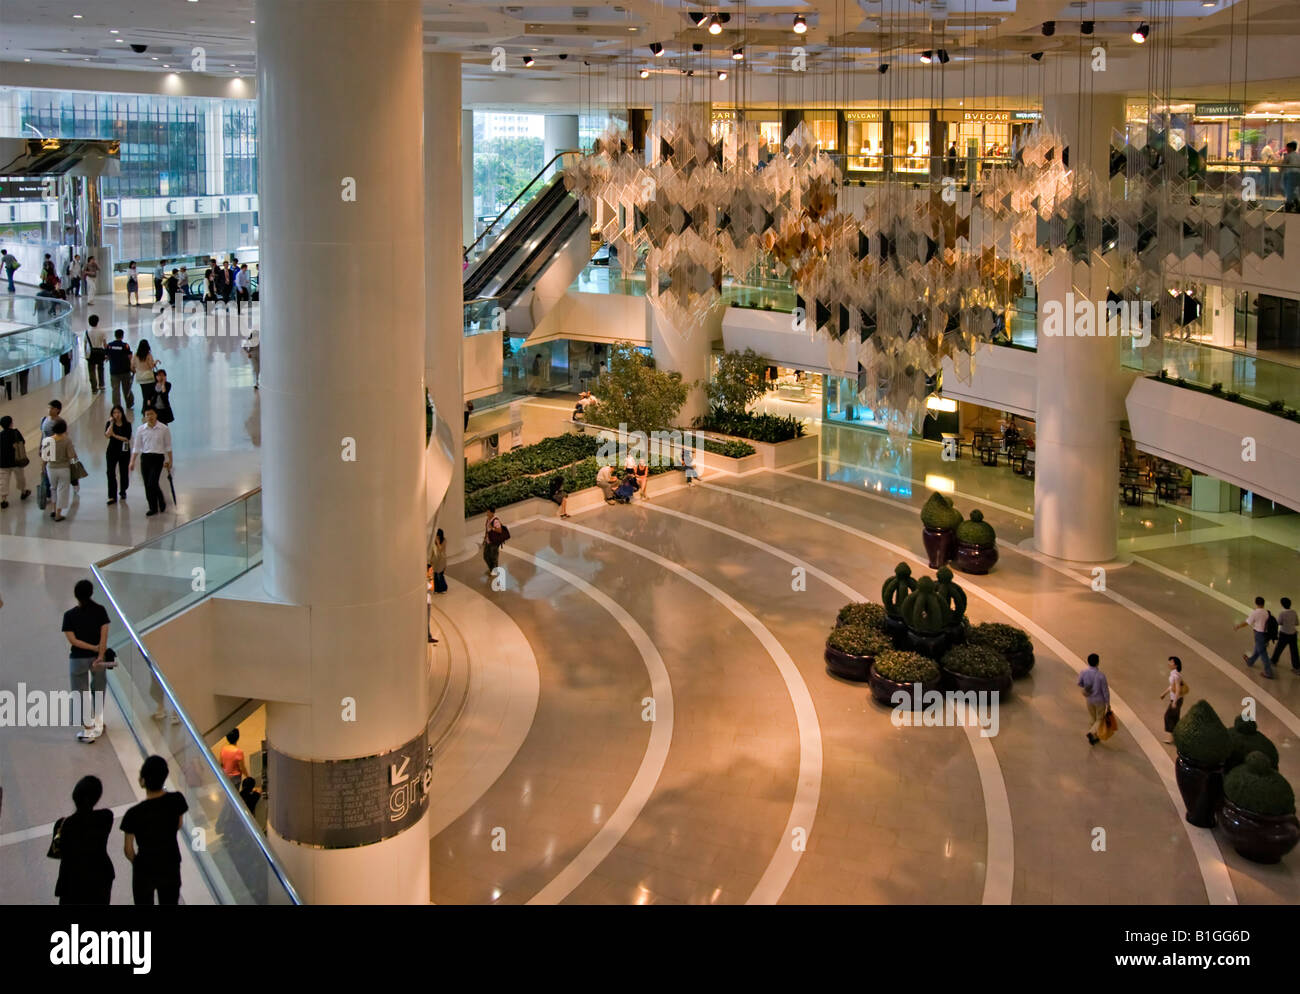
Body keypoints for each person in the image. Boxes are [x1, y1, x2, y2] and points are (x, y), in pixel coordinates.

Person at [121, 755, 189, 906]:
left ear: (143, 781)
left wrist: (137, 862)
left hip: (145, 868)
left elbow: (128, 850)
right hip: (170, 862)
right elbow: (178, 825)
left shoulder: (133, 814)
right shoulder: (177, 799)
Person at [52, 775, 115, 905]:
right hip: (100, 877)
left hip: (72, 881)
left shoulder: (63, 824)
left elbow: (57, 853)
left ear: (75, 796)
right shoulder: (106, 817)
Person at [62, 578, 110, 743]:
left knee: (79, 692)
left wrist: (91, 647)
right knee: (98, 689)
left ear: (76, 596)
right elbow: (104, 636)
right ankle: (99, 723)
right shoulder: (101, 611)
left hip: (77, 659)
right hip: (98, 660)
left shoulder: (69, 616)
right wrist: (100, 654)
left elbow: (73, 641)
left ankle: (87, 730)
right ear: (91, 593)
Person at [129, 404, 173, 517]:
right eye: (147, 415)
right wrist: (132, 461)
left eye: (151, 414)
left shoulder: (163, 428)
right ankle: (152, 507)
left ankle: (160, 500)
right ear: (144, 416)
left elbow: (168, 446)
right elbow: (137, 446)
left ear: (156, 415)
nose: (150, 416)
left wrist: (170, 461)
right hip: (145, 458)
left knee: (152, 483)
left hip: (158, 458)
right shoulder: (141, 429)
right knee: (147, 484)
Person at [41, 417, 77, 522]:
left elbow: (45, 457)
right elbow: (71, 456)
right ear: (64, 429)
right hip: (64, 468)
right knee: (62, 490)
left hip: (51, 468)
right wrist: (75, 465)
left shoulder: (47, 440)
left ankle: (53, 509)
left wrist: (43, 467)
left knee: (53, 488)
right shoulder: (67, 440)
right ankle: (58, 513)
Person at [1235, 596, 1275, 679]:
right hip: (1265, 634)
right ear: (1263, 603)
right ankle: (1250, 661)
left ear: (1256, 603)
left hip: (1259, 634)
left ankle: (1268, 672)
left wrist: (1238, 626)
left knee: (1263, 654)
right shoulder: (1266, 612)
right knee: (1258, 649)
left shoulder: (1255, 612)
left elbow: (1247, 622)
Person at [1078, 652, 1111, 745]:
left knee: (1093, 718)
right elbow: (1105, 691)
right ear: (1097, 662)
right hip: (1100, 701)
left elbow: (1079, 683)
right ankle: (1091, 733)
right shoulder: (1101, 676)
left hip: (1089, 699)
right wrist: (1108, 703)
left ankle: (1094, 737)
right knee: (1099, 719)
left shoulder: (1084, 672)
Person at [0, 415, 31, 509]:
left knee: (3, 481)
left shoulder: (0, 435)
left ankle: (3, 499)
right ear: (11, 423)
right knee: (20, 477)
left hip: (3, 462)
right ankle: (23, 492)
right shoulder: (15, 433)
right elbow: (23, 442)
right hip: (16, 461)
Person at [104, 404, 132, 504]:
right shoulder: (109, 423)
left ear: (122, 413)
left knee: (123, 472)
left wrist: (114, 435)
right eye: (114, 413)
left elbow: (126, 438)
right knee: (110, 472)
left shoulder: (127, 424)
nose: (117, 415)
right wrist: (111, 423)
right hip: (112, 450)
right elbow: (107, 435)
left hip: (124, 451)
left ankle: (123, 490)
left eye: (118, 412)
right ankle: (112, 496)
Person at [1159, 656, 1186, 743]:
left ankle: (1171, 738)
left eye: (1171, 662)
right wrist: (1164, 694)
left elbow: (1177, 689)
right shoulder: (1174, 674)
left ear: (1176, 665)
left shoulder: (1176, 675)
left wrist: (1174, 702)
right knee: (1175, 718)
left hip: (1176, 700)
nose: (1169, 664)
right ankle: (1176, 736)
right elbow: (1172, 686)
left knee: (1168, 716)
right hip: (1177, 700)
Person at [106, 328, 134, 408]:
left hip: (114, 371)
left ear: (115, 336)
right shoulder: (125, 345)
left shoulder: (110, 345)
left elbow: (107, 356)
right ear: (122, 336)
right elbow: (130, 356)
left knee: (115, 390)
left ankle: (117, 406)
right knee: (127, 388)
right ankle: (129, 403)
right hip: (125, 371)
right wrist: (131, 367)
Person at [1272, 596, 1299, 673]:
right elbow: (1297, 623)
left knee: (1279, 648)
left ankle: (1274, 661)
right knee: (1294, 651)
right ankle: (1297, 667)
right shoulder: (1294, 612)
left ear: (1282, 605)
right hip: (1293, 634)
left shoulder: (1282, 613)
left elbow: (1279, 622)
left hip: (1284, 634)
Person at [84, 314, 107, 393]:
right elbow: (104, 344)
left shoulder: (87, 332)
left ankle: (94, 388)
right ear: (97, 322)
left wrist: (85, 354)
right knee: (101, 369)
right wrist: (106, 353)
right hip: (100, 352)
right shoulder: (102, 331)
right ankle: (102, 385)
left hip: (91, 353)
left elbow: (85, 343)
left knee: (91, 370)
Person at [133, 340, 158, 409]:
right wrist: (155, 362)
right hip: (148, 377)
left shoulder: (135, 355)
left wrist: (136, 370)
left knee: (144, 393)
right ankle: (146, 408)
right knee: (149, 394)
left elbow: (132, 365)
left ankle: (145, 408)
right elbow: (151, 366)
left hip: (140, 378)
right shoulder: (148, 355)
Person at [483, 506, 507, 574]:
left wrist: (492, 528)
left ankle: (494, 570)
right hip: (488, 540)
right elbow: (487, 529)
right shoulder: (488, 519)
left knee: (494, 557)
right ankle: (491, 568)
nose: (487, 513)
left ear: (492, 512)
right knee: (485, 556)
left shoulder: (495, 520)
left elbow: (499, 530)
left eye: (488, 512)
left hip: (494, 541)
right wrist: (485, 537)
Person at [1282, 141, 1300, 212]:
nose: (1286, 149)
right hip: (1298, 174)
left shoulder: (1288, 156)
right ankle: (1296, 202)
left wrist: (1280, 175)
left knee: (1289, 189)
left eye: (1287, 147)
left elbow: (1283, 165)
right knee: (1295, 189)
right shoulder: (1298, 155)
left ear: (1291, 148)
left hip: (1291, 174)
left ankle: (1288, 205)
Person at [425, 564, 439, 644]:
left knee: (427, 620)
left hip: (428, 602)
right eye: (431, 570)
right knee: (426, 620)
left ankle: (428, 636)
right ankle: (428, 637)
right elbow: (432, 588)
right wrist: (431, 578)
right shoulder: (425, 580)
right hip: (426, 603)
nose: (432, 571)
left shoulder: (427, 579)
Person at [431, 527, 448, 593]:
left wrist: (438, 543)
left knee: (440, 575)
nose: (436, 537)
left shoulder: (444, 541)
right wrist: (431, 560)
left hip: (441, 560)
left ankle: (444, 588)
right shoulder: (434, 541)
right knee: (435, 575)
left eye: (437, 536)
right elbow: (433, 550)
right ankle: (437, 589)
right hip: (435, 560)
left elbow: (441, 549)